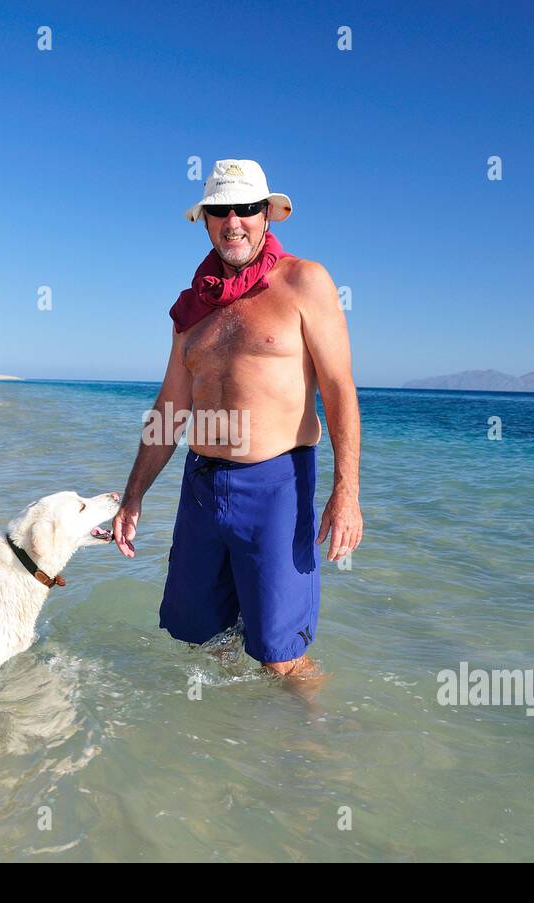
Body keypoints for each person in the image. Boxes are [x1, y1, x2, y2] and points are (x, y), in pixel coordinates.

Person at [112, 159, 362, 680]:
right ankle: (225, 749)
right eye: (221, 211)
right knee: (199, 639)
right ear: (205, 221)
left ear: (267, 215)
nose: (234, 222)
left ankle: (314, 749)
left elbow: (339, 389)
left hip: (275, 486)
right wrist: (134, 493)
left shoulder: (303, 282)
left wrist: (347, 494)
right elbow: (170, 407)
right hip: (201, 484)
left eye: (246, 209)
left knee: (279, 655)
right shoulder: (192, 308)